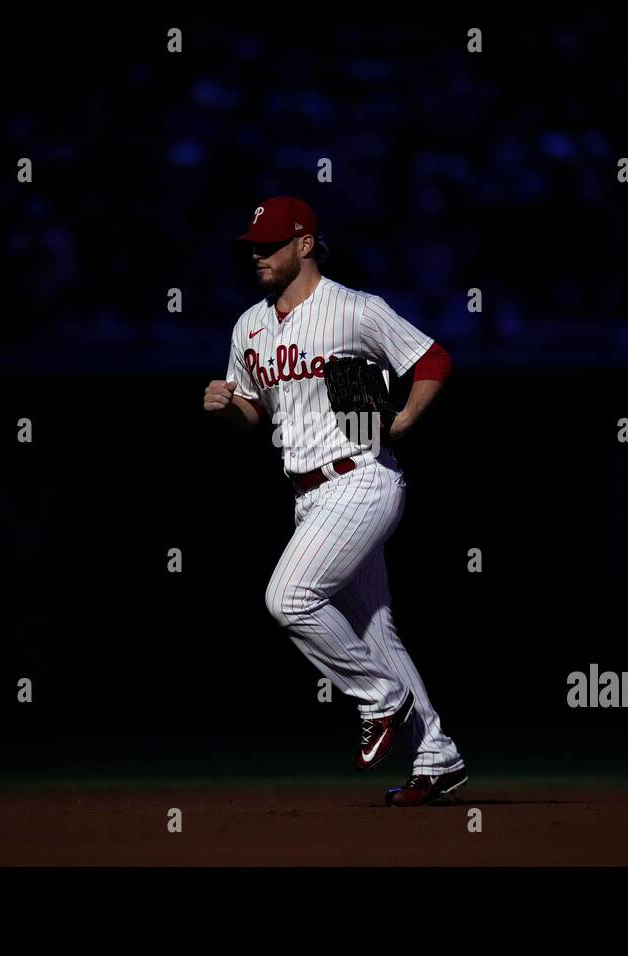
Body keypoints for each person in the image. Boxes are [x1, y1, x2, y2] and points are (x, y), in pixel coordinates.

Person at [202, 196, 467, 806]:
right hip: (306, 492)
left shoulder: (355, 310)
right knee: (376, 631)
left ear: (303, 244)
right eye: (251, 247)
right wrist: (227, 406)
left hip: (362, 476)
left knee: (288, 597)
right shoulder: (250, 326)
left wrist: (401, 421)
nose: (257, 255)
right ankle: (437, 757)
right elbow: (253, 416)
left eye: (269, 245)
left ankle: (382, 701)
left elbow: (434, 358)